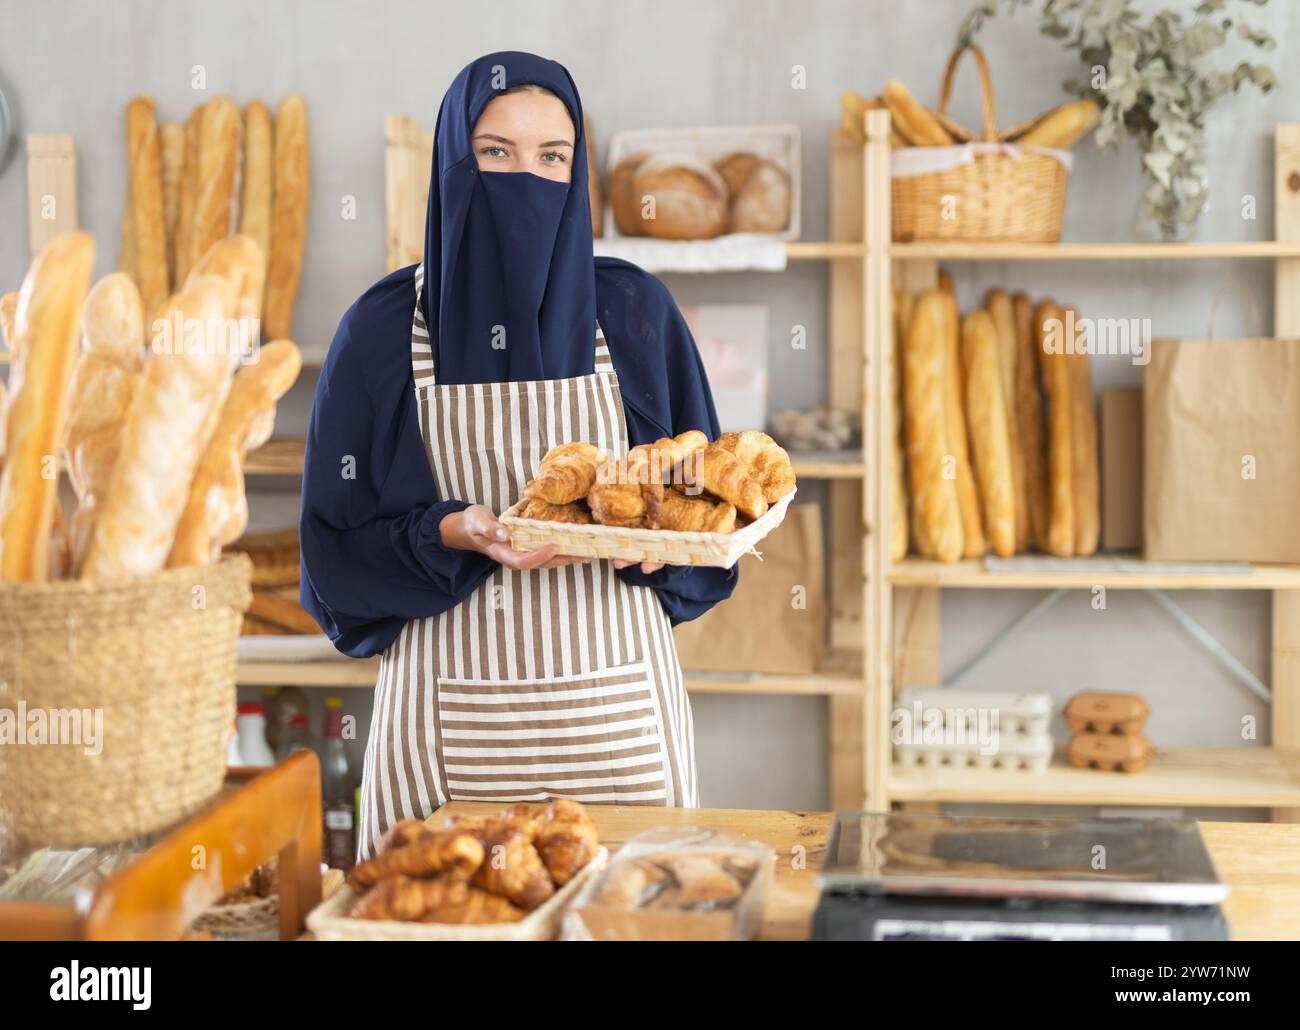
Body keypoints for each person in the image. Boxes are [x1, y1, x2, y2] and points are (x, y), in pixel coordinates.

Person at [300, 51, 737, 857]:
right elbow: (332, 564)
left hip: (623, 742)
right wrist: (451, 534)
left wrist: (657, 552)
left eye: (553, 158)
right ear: (452, 163)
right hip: (440, 759)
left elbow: (714, 523)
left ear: (581, 174)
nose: (524, 180)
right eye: (495, 154)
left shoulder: (637, 312)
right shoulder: (382, 330)